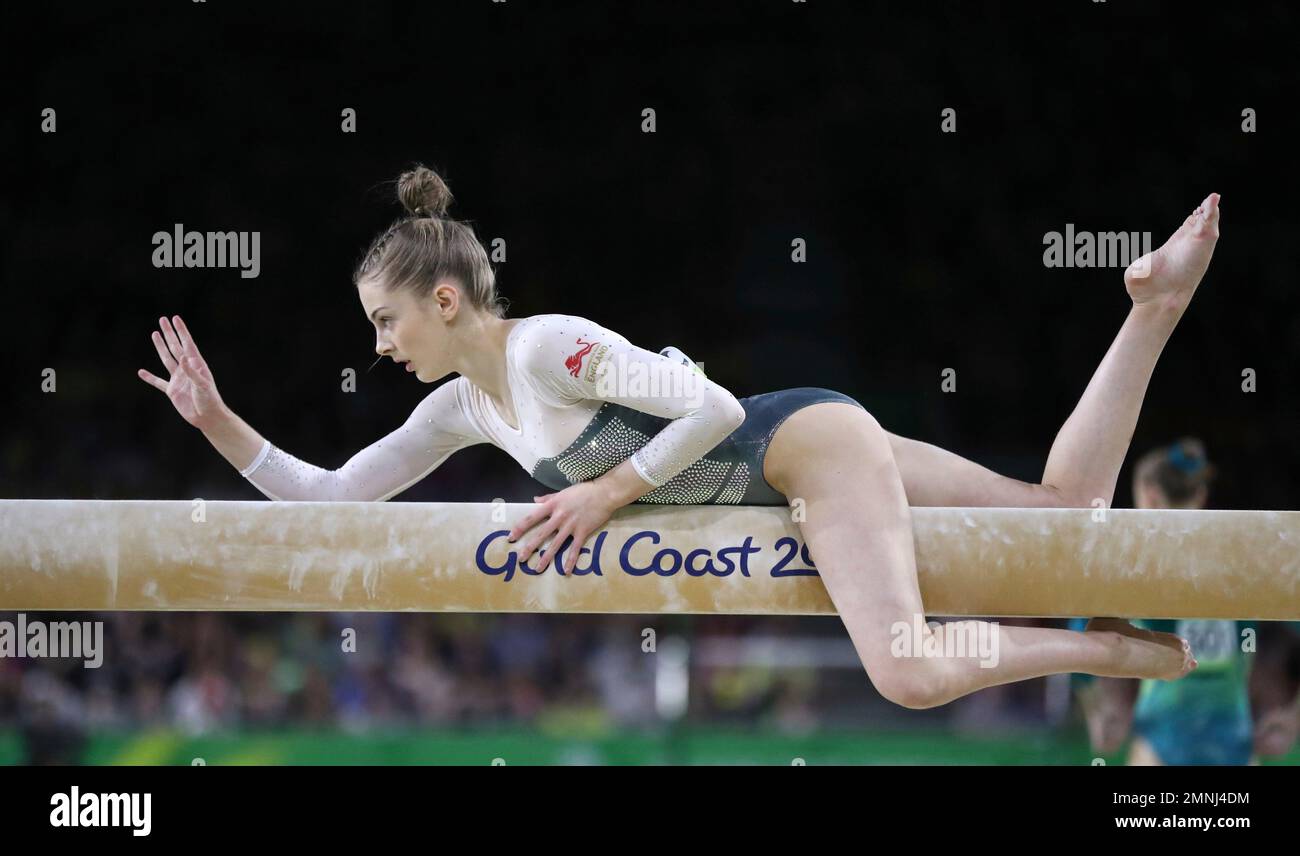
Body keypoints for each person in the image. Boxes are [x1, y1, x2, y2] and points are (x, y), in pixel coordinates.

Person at [138, 165, 1216, 710]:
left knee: (905, 672)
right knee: (1068, 521)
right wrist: (218, 419)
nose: (377, 345)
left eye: (386, 320)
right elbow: (329, 502)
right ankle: (1154, 306)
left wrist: (603, 496)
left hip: (800, 446)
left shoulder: (547, 349)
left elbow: (712, 409)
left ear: (448, 300)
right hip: (800, 454)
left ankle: (1110, 652)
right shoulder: (462, 409)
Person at [1072, 440, 1300, 764]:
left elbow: (1080, 629)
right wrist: (1293, 717)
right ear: (1201, 495)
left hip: (1160, 738)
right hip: (1233, 737)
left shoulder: (1136, 567)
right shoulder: (1247, 560)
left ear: (1148, 495)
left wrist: (1097, 708)